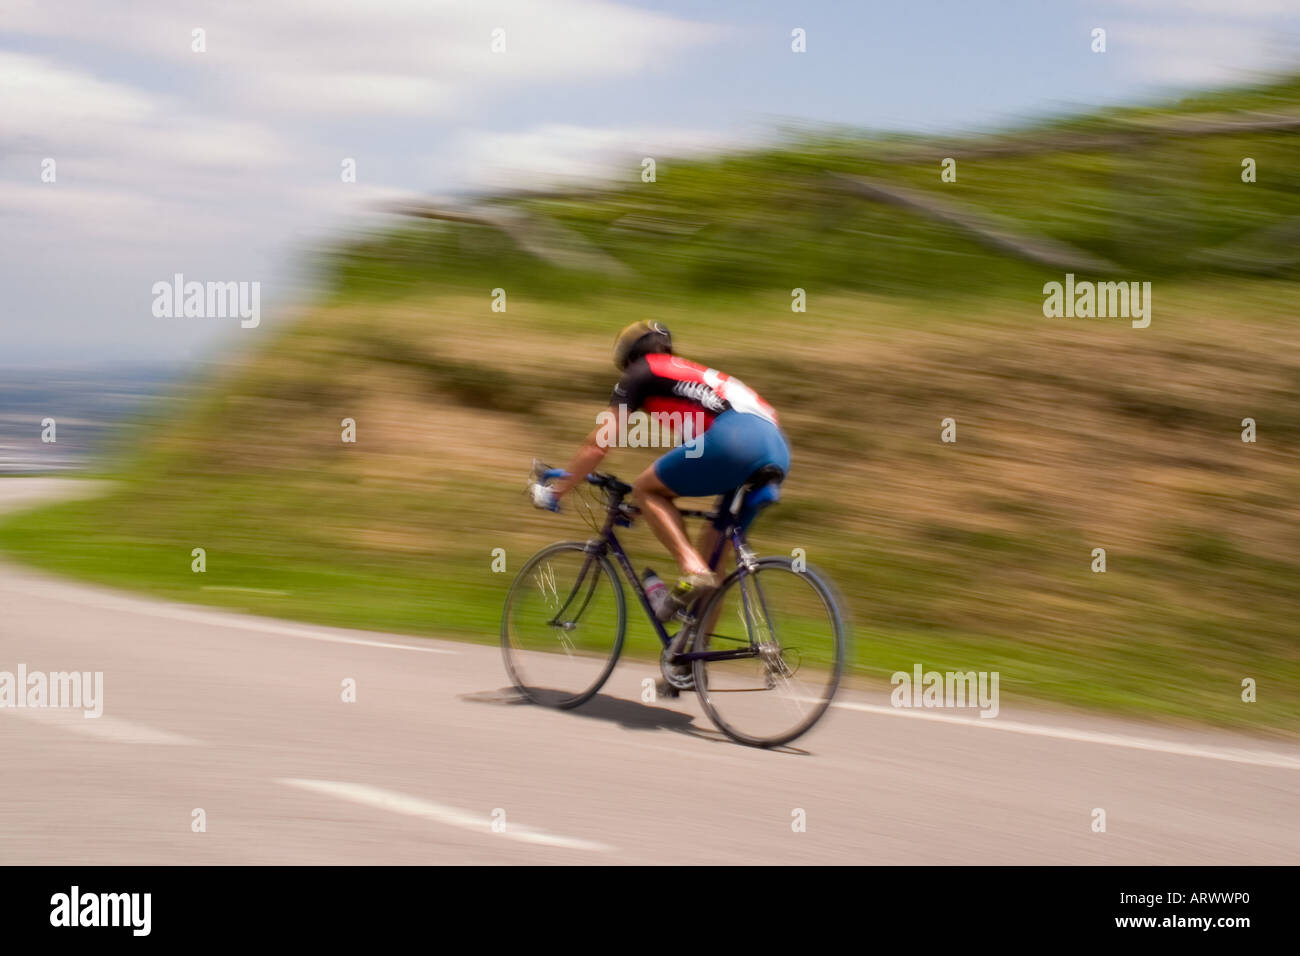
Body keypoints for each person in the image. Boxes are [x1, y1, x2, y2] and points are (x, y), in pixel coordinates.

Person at [531, 320, 790, 613]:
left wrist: (558, 491)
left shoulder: (643, 370)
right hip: (776, 447)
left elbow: (597, 445)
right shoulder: (693, 378)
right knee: (713, 559)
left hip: (735, 438)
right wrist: (645, 507)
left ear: (629, 358)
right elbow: (690, 463)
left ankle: (691, 569)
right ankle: (695, 653)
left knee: (646, 488)